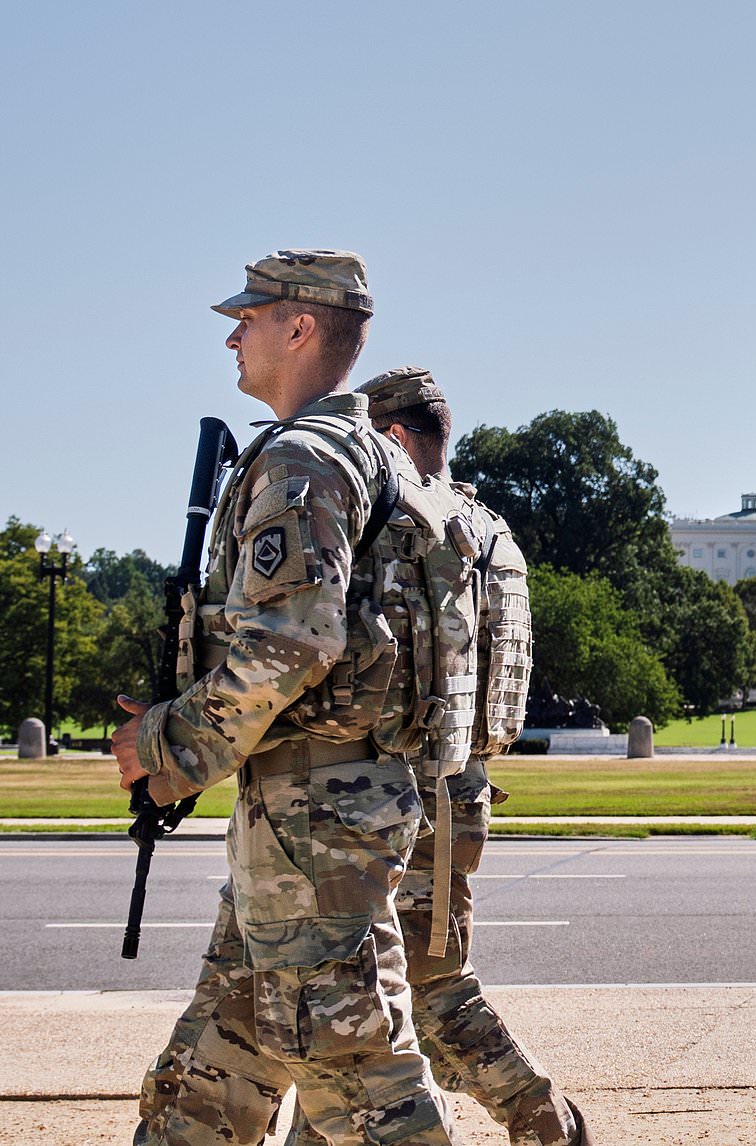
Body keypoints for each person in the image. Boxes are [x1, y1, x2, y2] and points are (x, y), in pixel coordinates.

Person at [110, 250, 457, 1143]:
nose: (233, 334)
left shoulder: (306, 458)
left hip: (316, 818)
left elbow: (292, 644)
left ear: (299, 327)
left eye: (250, 317)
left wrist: (166, 746)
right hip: (314, 809)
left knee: (355, 1074)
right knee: (215, 1063)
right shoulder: (363, 453)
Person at [286, 365, 587, 1145]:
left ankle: (545, 1121)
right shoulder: (491, 532)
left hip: (392, 789)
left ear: (389, 437)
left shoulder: (401, 524)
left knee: (405, 990)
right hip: (463, 788)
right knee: (369, 994)